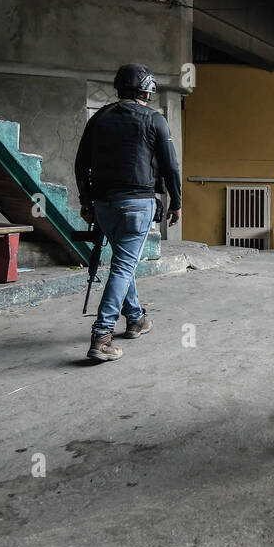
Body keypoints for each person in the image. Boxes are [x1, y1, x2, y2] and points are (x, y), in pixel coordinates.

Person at [75, 63, 181, 361]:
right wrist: (177, 201)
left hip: (104, 206)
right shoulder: (154, 119)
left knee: (124, 259)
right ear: (147, 88)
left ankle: (135, 318)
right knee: (123, 266)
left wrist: (86, 202)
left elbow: (81, 165)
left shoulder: (99, 117)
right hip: (137, 205)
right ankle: (102, 336)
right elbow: (171, 165)